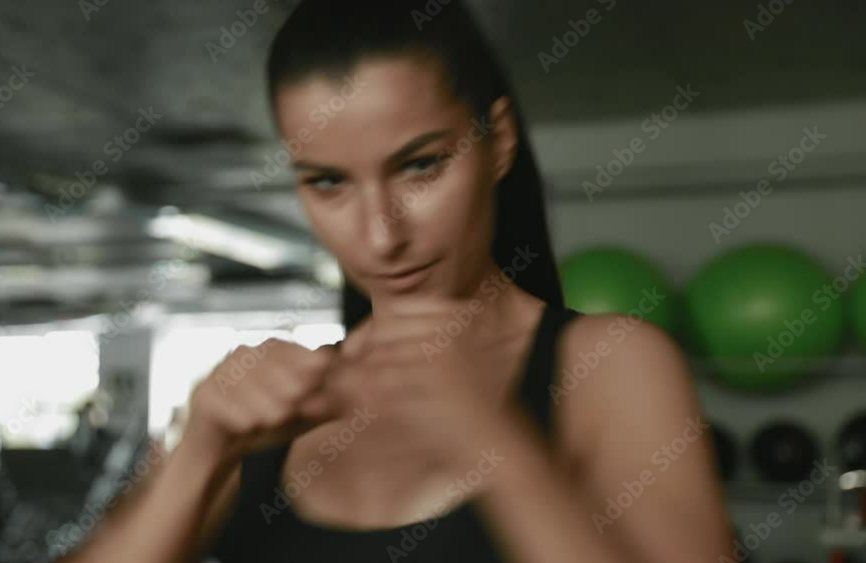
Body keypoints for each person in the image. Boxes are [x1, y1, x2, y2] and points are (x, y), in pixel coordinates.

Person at [60, 1, 733, 561]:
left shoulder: (606, 367)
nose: (381, 235)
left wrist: (496, 446)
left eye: (420, 166)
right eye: (328, 181)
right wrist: (199, 452)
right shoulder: (278, 413)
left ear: (497, 141)